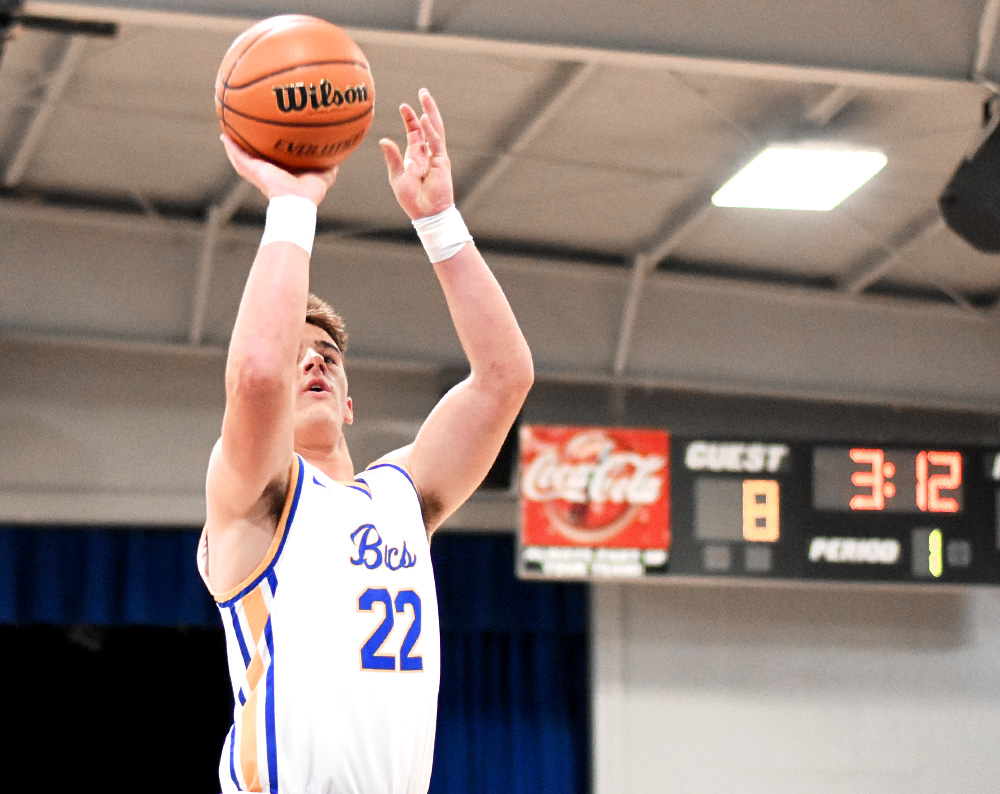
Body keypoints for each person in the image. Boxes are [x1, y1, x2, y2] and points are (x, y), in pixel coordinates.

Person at [197, 87, 534, 794]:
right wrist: (293, 202)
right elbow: (257, 374)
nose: (311, 360)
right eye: (297, 350)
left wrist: (439, 219)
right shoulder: (256, 496)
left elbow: (504, 378)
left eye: (326, 354)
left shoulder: (400, 495)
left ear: (349, 403)